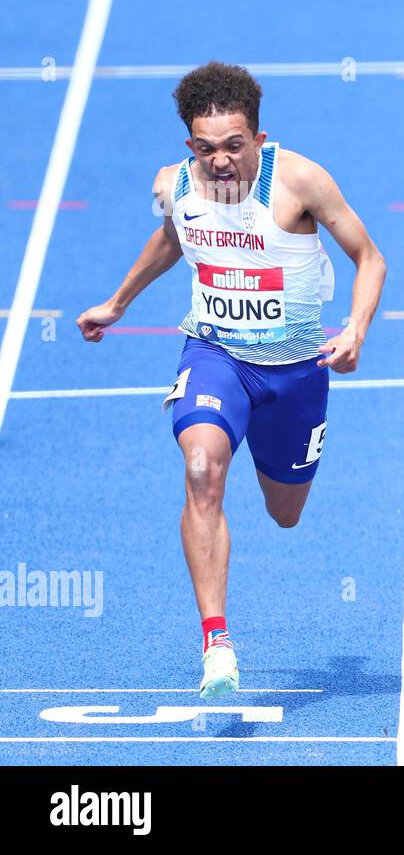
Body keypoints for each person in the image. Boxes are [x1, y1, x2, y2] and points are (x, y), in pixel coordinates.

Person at [75, 62, 386, 696]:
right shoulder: (173, 185)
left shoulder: (300, 181)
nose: (221, 161)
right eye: (206, 148)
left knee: (285, 512)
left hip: (296, 374)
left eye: (234, 146)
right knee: (200, 469)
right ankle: (217, 641)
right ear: (190, 144)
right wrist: (119, 302)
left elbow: (369, 256)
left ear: (259, 139)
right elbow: (172, 235)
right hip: (217, 356)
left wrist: (355, 329)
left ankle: (259, 455)